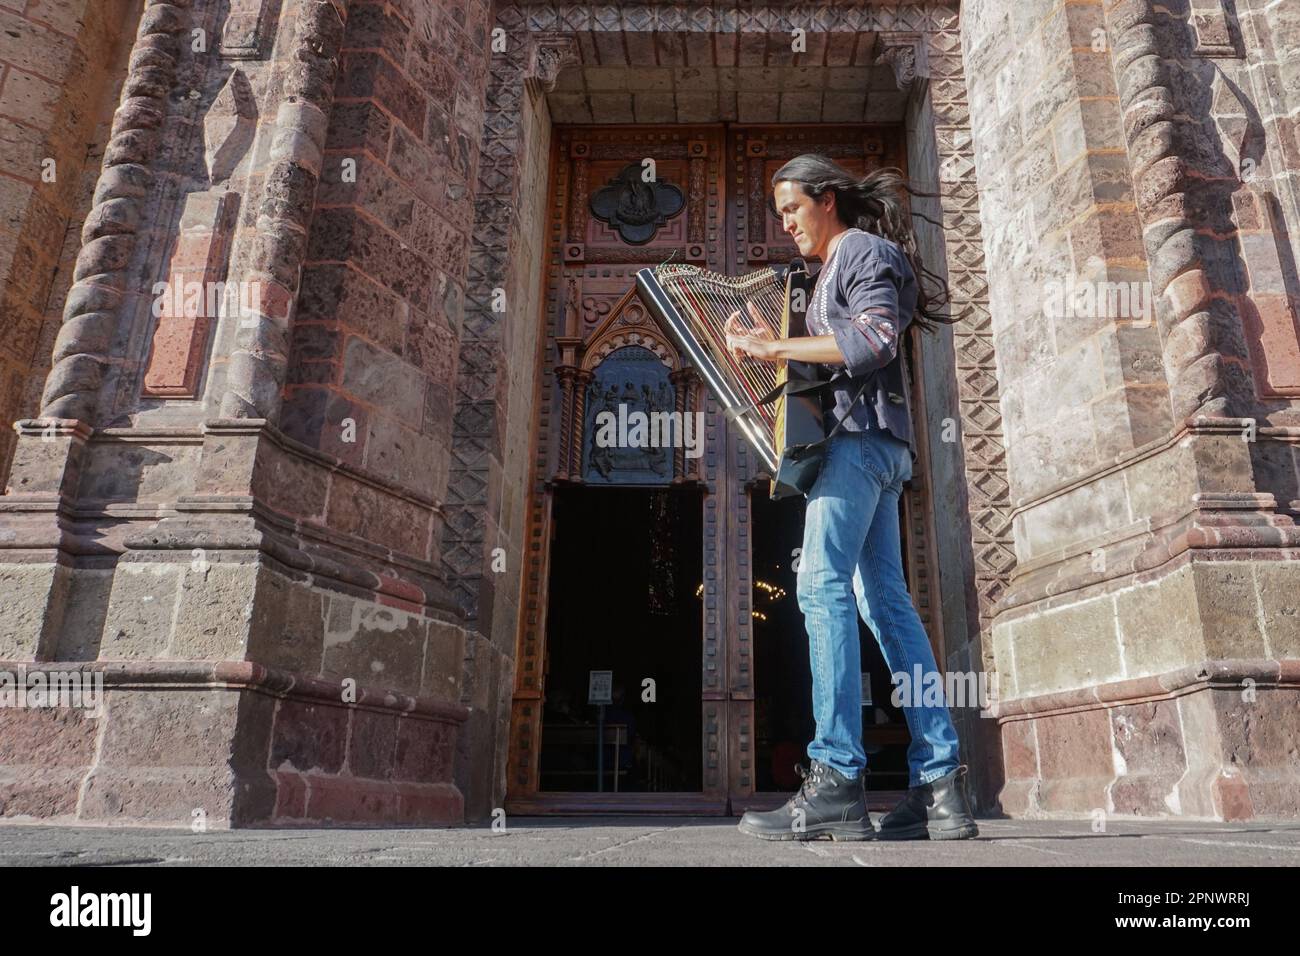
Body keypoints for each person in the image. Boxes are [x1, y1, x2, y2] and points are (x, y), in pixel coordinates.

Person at [729, 154, 979, 842]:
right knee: (886, 604)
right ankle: (940, 787)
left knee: (819, 587)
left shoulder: (863, 250)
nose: (785, 225)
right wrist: (761, 345)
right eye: (780, 213)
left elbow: (870, 342)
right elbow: (826, 360)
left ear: (828, 199)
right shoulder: (834, 269)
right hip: (868, 447)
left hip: (859, 448)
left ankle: (836, 777)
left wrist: (774, 347)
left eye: (792, 208)